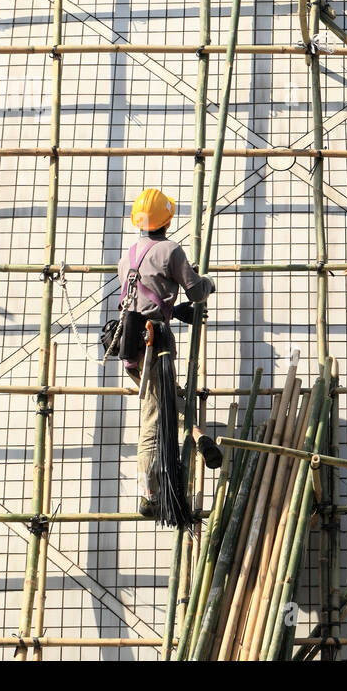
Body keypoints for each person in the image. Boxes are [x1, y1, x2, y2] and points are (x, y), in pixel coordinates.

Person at [116, 188, 224, 520]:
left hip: (130, 343)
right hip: (155, 346)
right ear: (168, 219)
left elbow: (145, 301)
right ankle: (149, 494)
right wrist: (207, 284)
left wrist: (174, 311)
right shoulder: (171, 251)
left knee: (167, 405)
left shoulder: (129, 255)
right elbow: (194, 290)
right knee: (153, 418)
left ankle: (200, 438)